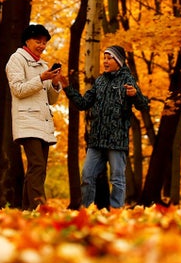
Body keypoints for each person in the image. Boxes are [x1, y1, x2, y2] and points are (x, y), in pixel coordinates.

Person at [59, 45, 149, 208]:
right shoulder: (100, 81)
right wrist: (67, 88)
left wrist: (134, 95)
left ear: (119, 61)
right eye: (104, 58)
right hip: (96, 140)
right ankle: (86, 211)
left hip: (116, 140)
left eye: (109, 58)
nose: (105, 61)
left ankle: (116, 211)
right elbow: (83, 103)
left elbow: (143, 106)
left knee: (117, 179)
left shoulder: (128, 80)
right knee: (87, 175)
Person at [6, 23, 62, 209]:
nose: (42, 46)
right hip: (27, 120)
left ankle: (28, 209)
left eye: (44, 42)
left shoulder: (43, 65)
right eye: (38, 41)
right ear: (27, 41)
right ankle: (41, 208)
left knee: (37, 169)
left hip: (43, 122)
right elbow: (18, 89)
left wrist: (54, 83)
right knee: (37, 166)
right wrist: (41, 79)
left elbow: (51, 100)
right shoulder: (16, 60)